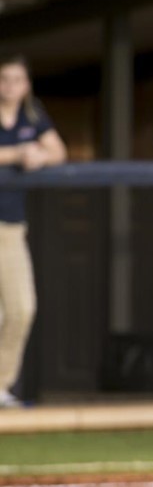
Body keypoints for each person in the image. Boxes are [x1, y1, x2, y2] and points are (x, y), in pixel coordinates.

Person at [0, 55, 67, 408]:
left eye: (16, 80)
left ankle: (0, 386)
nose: (9, 86)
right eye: (3, 79)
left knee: (22, 308)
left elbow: (58, 151)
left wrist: (40, 156)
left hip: (11, 226)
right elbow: (15, 153)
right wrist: (16, 154)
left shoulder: (32, 114)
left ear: (26, 85)